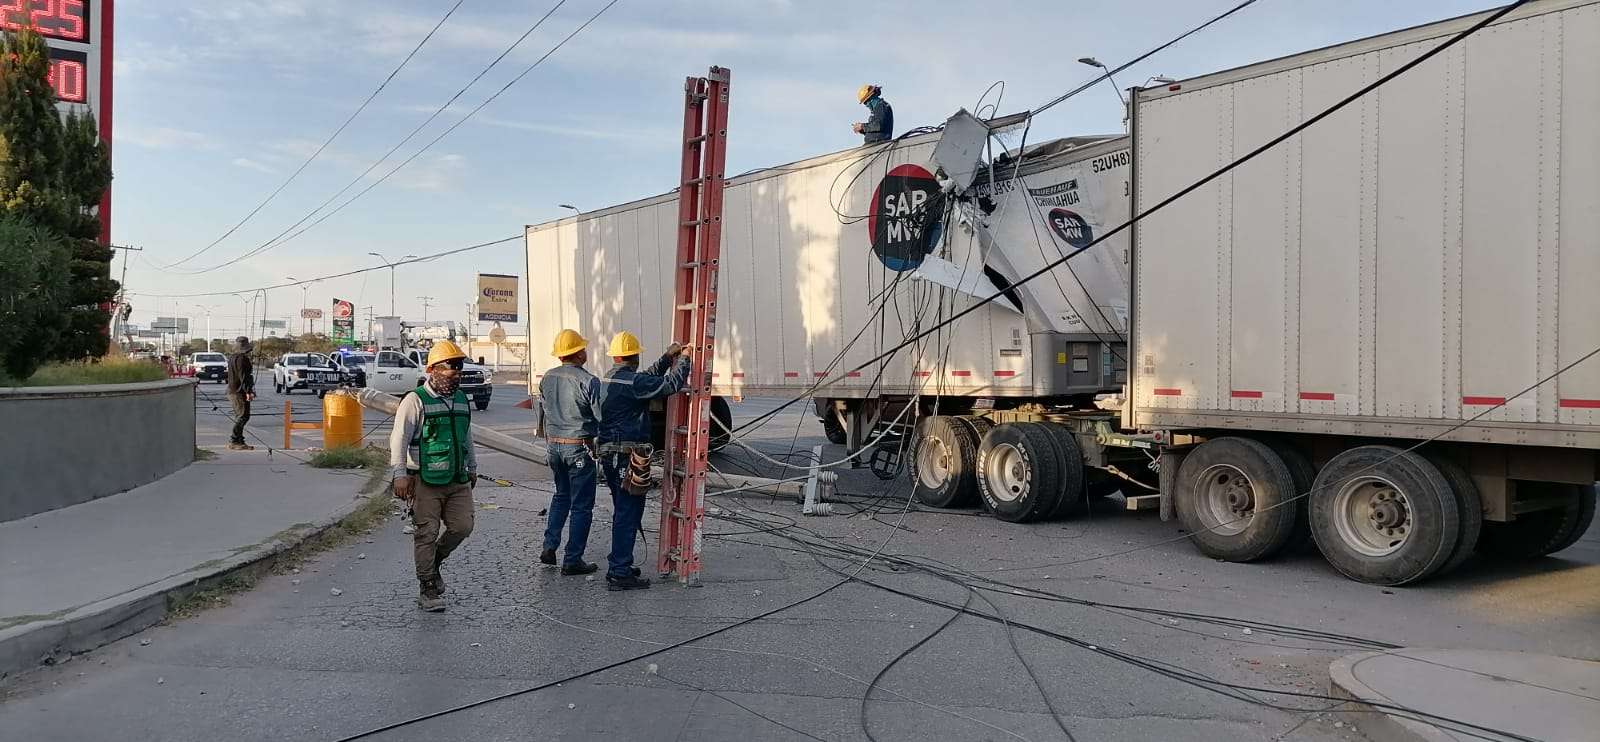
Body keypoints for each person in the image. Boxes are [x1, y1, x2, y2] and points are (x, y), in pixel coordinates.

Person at [595, 332, 691, 591]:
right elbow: (670, 385)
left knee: (623, 511)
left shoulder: (610, 378)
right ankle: (619, 571)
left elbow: (646, 378)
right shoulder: (632, 383)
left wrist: (666, 358)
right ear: (634, 356)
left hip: (610, 455)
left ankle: (620, 562)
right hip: (627, 456)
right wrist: (685, 359)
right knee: (628, 512)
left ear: (615, 356)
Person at [389, 340, 479, 612]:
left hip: (457, 478)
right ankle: (427, 586)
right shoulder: (415, 400)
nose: (457, 372)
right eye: (452, 367)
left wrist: (472, 466)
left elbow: (467, 436)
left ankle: (435, 560)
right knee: (425, 534)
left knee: (463, 527)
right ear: (433, 369)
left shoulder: (462, 399)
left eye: (459, 367)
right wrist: (400, 474)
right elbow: (399, 439)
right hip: (424, 480)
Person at [536, 329, 603, 576]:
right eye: (583, 348)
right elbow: (600, 417)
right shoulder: (588, 381)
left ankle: (549, 546)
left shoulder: (547, 378)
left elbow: (543, 413)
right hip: (579, 447)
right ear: (578, 353)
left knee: (561, 496)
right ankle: (573, 558)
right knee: (582, 505)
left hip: (554, 446)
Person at [225, 337, 256, 450]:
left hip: (233, 390)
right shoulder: (243, 359)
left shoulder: (232, 358)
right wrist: (248, 391)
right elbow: (244, 377)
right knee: (243, 416)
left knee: (241, 416)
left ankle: (239, 440)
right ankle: (234, 440)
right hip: (238, 391)